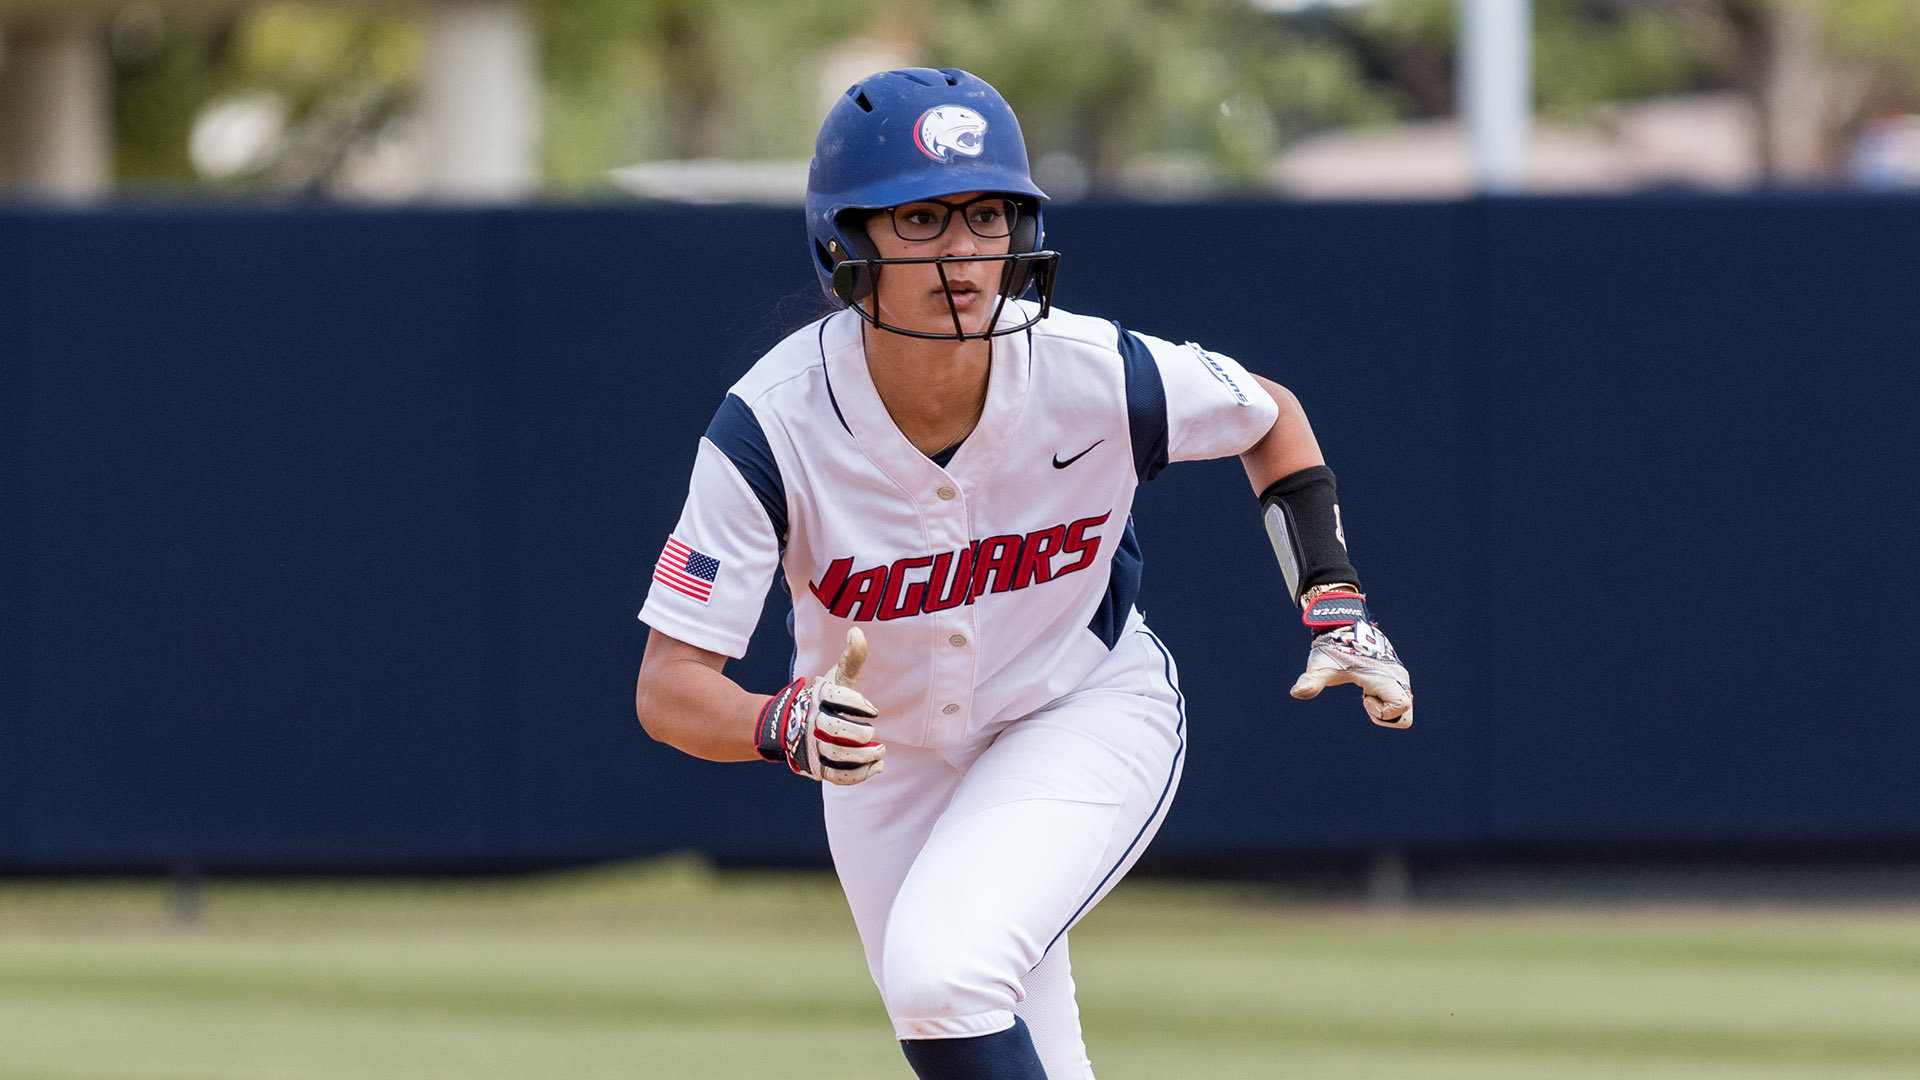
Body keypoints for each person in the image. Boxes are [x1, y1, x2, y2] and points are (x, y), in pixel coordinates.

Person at [634, 67, 1412, 1080]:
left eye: (990, 214)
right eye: (922, 217)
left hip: (1081, 708)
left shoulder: (1095, 371)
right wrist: (778, 723)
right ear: (847, 241)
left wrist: (1334, 600)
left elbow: (1270, 417)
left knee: (943, 977)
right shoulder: (771, 427)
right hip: (884, 763)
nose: (964, 252)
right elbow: (669, 687)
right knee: (973, 1016)